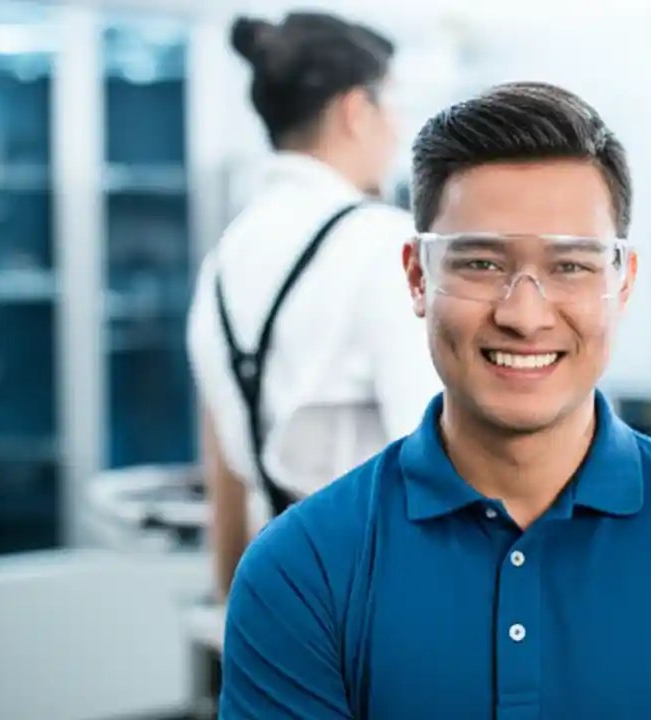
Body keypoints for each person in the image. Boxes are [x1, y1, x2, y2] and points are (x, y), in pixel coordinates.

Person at [218, 81, 651, 719]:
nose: (524, 314)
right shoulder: (304, 570)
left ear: (622, 283)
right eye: (480, 264)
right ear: (416, 277)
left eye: (570, 266)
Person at [186, 13, 440, 599]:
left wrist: (232, 603)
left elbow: (222, 460)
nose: (397, 130)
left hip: (277, 587)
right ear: (356, 111)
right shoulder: (382, 245)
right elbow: (436, 457)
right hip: (381, 594)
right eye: (392, 105)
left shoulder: (224, 259)